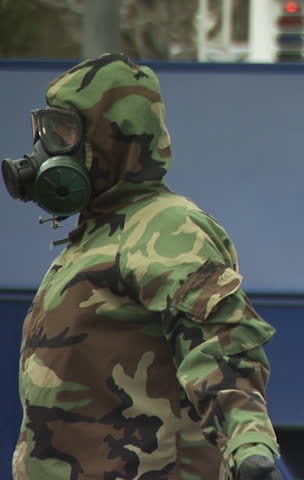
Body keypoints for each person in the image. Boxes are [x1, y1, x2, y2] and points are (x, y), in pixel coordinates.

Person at [2, 53, 284, 480]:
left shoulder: (165, 228)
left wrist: (250, 445)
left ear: (114, 140)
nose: (45, 151)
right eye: (47, 131)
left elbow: (218, 340)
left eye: (64, 133)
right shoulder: (96, 237)